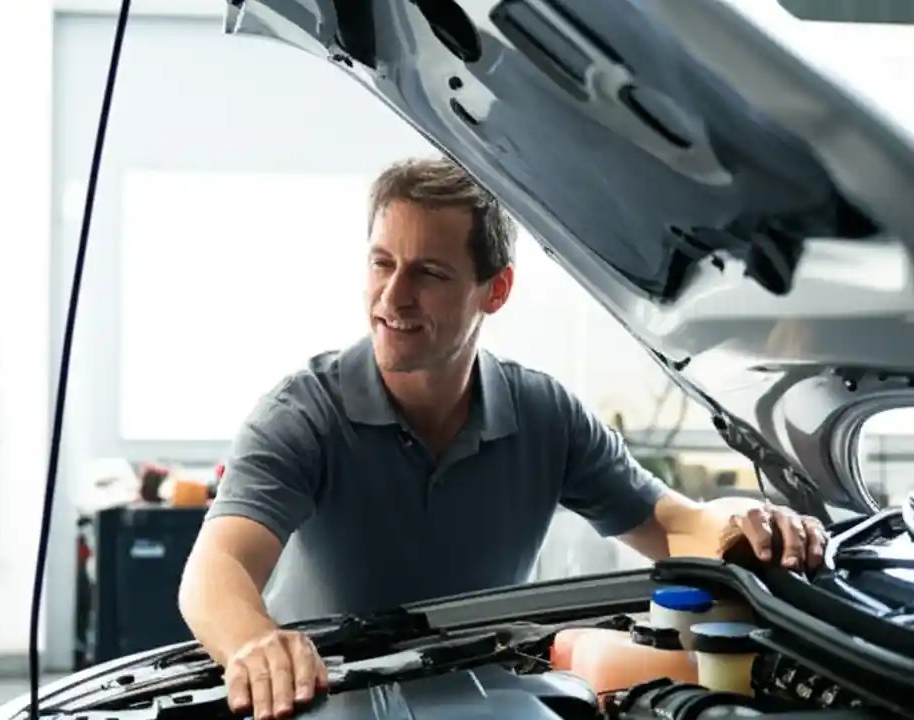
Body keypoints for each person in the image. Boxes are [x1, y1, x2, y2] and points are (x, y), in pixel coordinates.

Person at [177, 157, 830, 720]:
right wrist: (253, 643)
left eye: (429, 273)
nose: (392, 296)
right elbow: (214, 570)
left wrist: (750, 524)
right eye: (382, 263)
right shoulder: (304, 413)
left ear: (497, 290)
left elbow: (673, 524)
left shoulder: (543, 415)